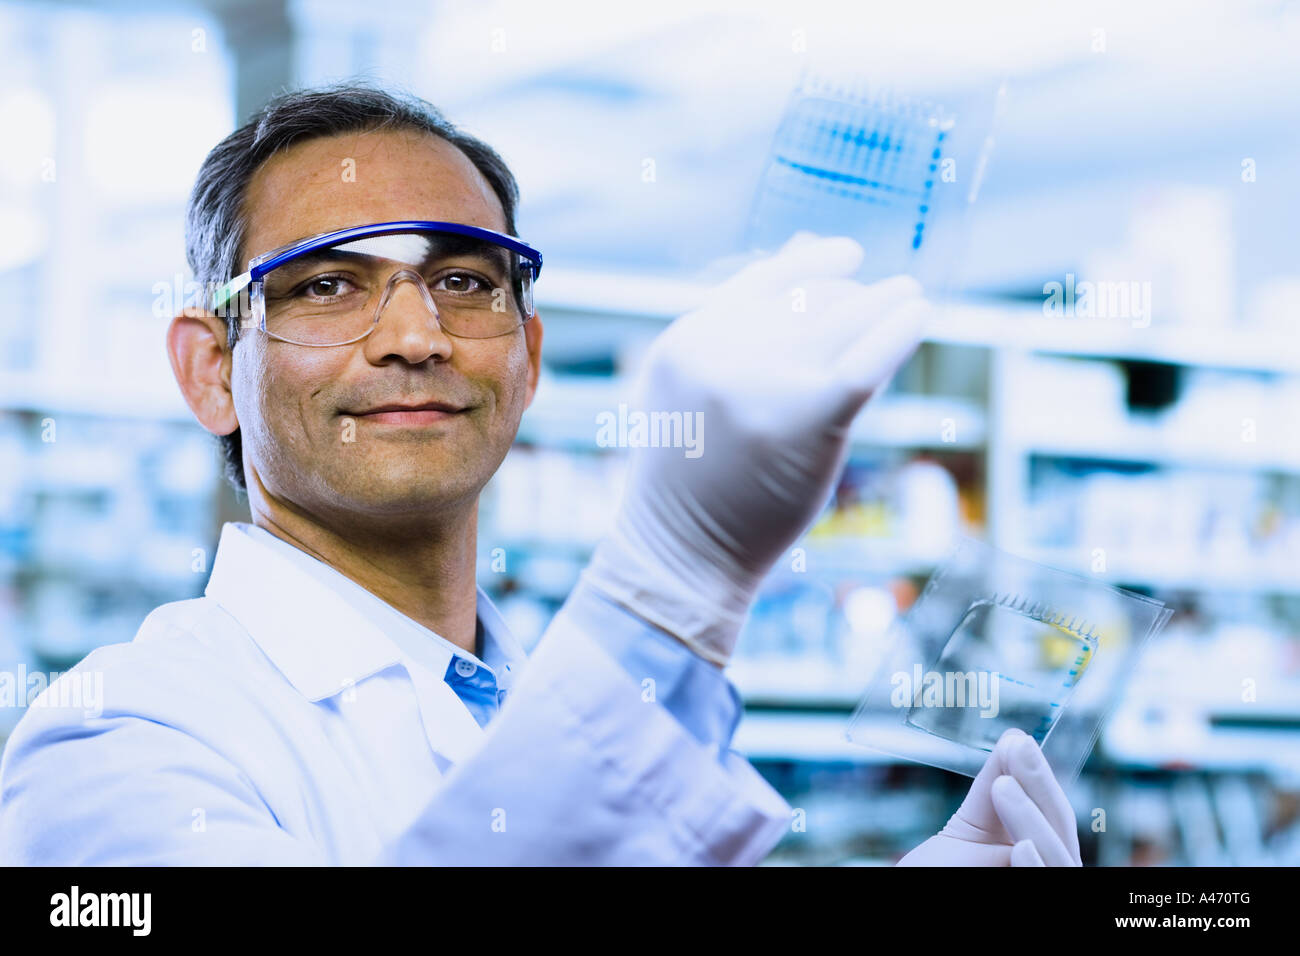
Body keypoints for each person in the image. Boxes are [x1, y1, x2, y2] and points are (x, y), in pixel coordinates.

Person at [0, 85, 1080, 866]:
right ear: (209, 371)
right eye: (329, 285)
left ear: (527, 358)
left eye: (465, 280)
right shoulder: (118, 745)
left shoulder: (522, 695)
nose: (416, 335)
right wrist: (670, 588)